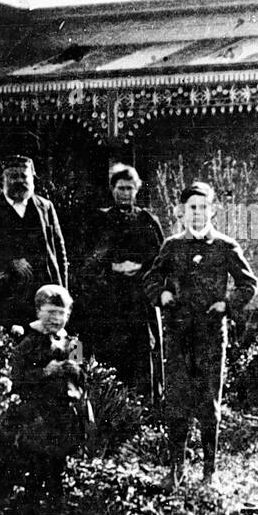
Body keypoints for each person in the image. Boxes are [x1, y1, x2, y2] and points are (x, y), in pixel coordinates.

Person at [144, 182, 258, 488]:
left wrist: (227, 304)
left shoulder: (224, 246)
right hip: (178, 334)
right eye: (192, 208)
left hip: (209, 335)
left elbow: (249, 284)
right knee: (177, 401)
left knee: (209, 402)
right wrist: (162, 295)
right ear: (182, 212)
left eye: (203, 207)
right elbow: (151, 279)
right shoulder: (172, 247)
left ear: (213, 210)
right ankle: (176, 468)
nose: (197, 213)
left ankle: (210, 471)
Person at [80, 164, 165, 398]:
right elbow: (87, 261)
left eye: (129, 188)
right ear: (112, 189)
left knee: (142, 354)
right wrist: (112, 266)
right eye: (120, 188)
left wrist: (139, 267)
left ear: (136, 190)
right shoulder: (99, 221)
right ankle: (112, 408)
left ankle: (145, 410)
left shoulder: (148, 221)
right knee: (109, 353)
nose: (125, 193)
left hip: (139, 301)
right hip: (109, 301)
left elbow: (162, 261)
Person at [9, 284, 91, 515]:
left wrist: (75, 370)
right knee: (36, 461)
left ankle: (56, 507)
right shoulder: (28, 342)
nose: (56, 318)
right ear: (38, 312)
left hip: (63, 413)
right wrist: (45, 372)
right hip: (37, 413)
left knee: (57, 462)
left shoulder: (74, 343)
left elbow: (85, 377)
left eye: (61, 313)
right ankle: (31, 509)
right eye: (50, 312)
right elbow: (18, 378)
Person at [0, 156, 69, 332]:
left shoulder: (45, 208)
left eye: (24, 176)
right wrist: (9, 262)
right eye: (13, 177)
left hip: (43, 294)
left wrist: (63, 294)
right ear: (3, 180)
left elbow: (59, 253)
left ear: (33, 179)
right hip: (6, 295)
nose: (19, 181)